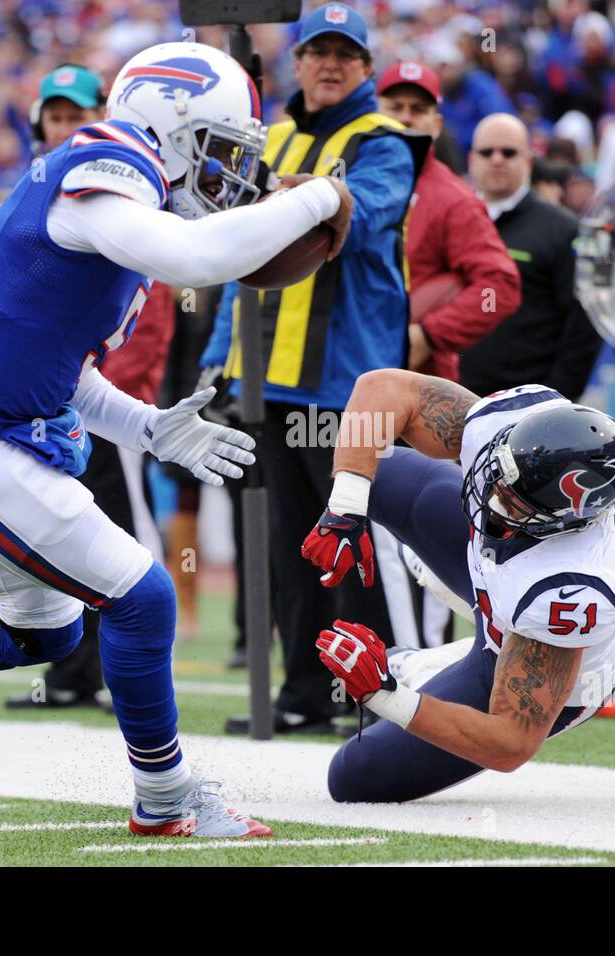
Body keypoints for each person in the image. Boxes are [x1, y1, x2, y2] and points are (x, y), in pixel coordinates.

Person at [0, 40, 359, 839]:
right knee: (142, 596)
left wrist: (149, 430)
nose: (229, 175)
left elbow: (65, 369)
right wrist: (319, 196)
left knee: (40, 632)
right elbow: (200, 254)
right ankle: (167, 800)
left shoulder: (115, 201)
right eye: (220, 149)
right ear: (171, 123)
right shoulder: (106, 164)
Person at [202, 3, 429, 733]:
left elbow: (366, 220)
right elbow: (231, 256)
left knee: (355, 545)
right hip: (269, 380)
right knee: (287, 548)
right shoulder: (266, 136)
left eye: (345, 54)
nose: (329, 65)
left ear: (365, 69)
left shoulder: (384, 141)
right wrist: (217, 367)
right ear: (297, 63)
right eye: (317, 52)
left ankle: (373, 696)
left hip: (349, 384)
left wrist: (298, 193)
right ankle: (304, 695)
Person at [302, 370, 615, 802]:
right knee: (374, 472)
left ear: (562, 522)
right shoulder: (529, 425)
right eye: (498, 475)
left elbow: (510, 744)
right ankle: (452, 596)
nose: (491, 493)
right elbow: (382, 388)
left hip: (515, 651)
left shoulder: (568, 590)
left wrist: (384, 694)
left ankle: (415, 668)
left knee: (355, 777)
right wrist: (345, 510)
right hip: (505, 575)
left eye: (512, 500)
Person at [2, 63, 174, 710]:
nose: (67, 126)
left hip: (101, 400)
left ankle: (121, 672)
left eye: (78, 115)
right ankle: (72, 673)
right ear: (38, 124)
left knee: (125, 538)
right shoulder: (37, 188)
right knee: (57, 538)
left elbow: (148, 304)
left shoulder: (125, 188)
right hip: (47, 402)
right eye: (57, 116)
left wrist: (117, 396)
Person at [375, 62, 519, 384]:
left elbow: (500, 286)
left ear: (437, 124)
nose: (406, 117)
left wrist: (428, 334)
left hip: (414, 390)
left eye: (418, 108)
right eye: (395, 107)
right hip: (338, 373)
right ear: (374, 115)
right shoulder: (350, 181)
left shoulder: (454, 199)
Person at [459, 113, 602, 401]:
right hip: (453, 404)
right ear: (471, 160)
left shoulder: (562, 228)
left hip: (530, 411)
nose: (497, 159)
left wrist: (554, 400)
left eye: (508, 152)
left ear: (527, 161)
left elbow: (583, 326)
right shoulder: (450, 222)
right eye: (487, 152)